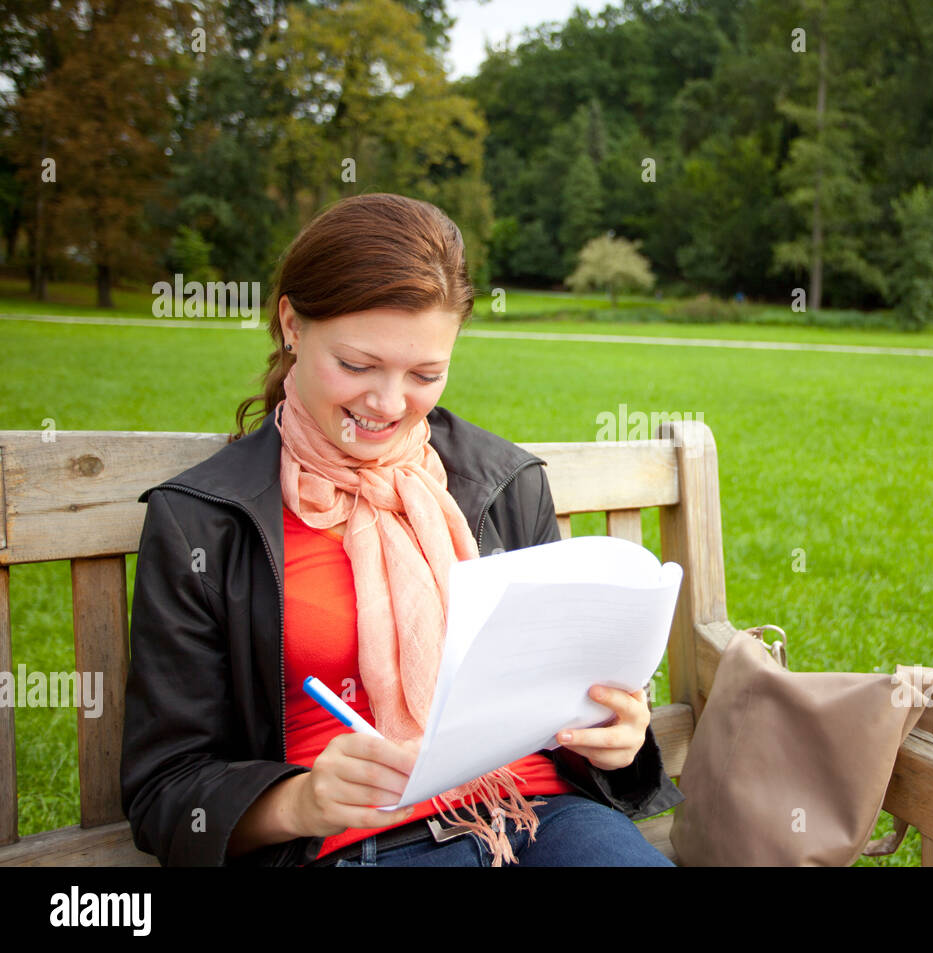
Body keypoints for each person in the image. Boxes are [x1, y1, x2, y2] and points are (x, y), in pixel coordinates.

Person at [120, 193, 683, 867]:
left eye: (424, 374)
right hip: (359, 847)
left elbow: (560, 690)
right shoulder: (204, 521)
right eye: (357, 366)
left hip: (543, 816)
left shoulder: (503, 481)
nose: (387, 405)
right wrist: (299, 801)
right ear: (292, 324)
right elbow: (166, 786)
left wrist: (617, 736)